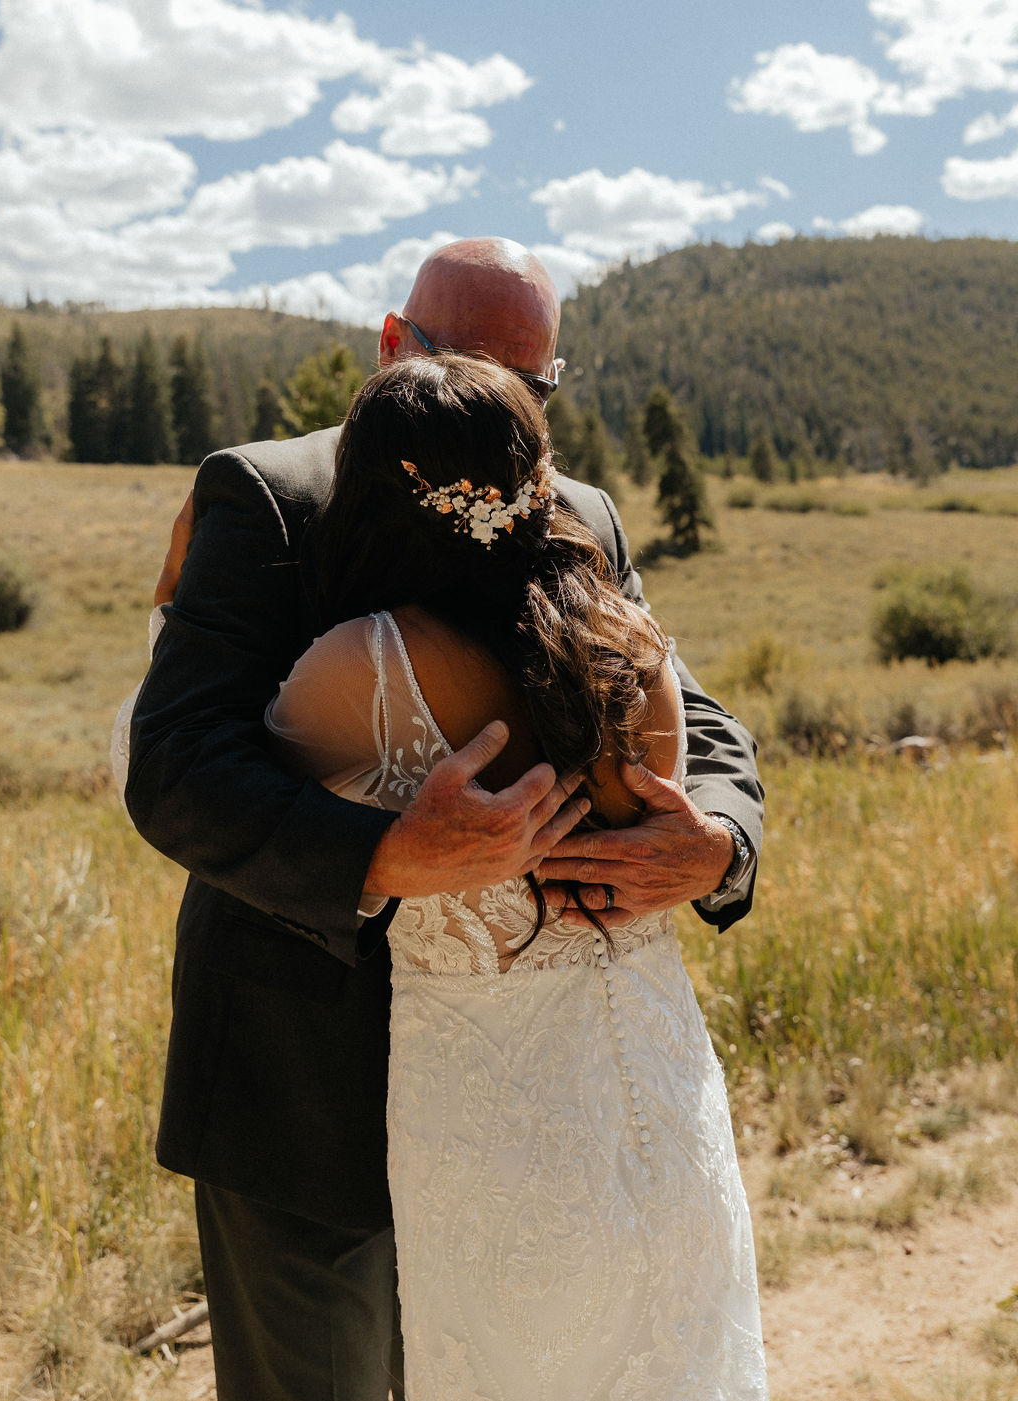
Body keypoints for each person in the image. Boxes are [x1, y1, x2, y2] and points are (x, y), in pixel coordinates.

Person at [125, 237, 763, 1401]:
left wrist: (716, 843)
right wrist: (381, 853)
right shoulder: (267, 496)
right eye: (457, 359)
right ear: (391, 345)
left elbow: (698, 716)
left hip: (537, 1103)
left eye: (526, 382)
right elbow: (175, 764)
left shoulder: (582, 512)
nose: (488, 399)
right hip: (301, 1084)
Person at [264, 352, 767, 1398]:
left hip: (495, 1141)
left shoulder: (365, 668)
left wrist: (169, 613)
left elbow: (194, 778)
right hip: (665, 1100)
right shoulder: (633, 646)